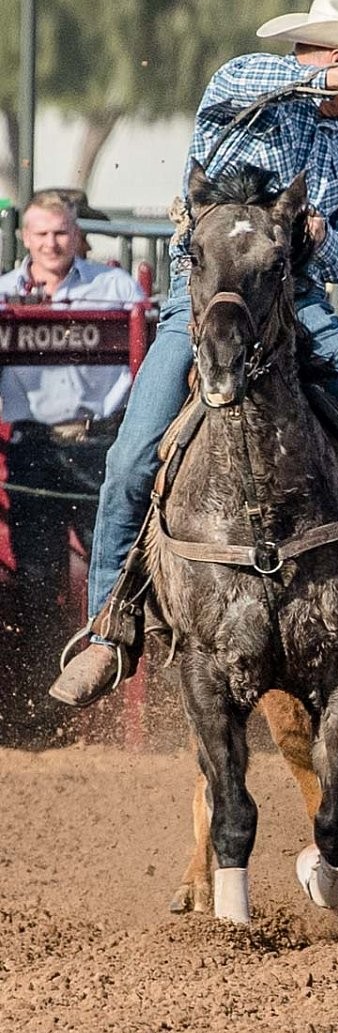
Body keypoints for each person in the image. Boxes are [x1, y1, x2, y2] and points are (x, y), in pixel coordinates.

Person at [49, 0, 338, 709]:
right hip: (207, 302)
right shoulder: (241, 88)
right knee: (131, 454)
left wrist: (319, 238)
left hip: (298, 306)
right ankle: (108, 628)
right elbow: (262, 82)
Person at [0, 192, 144, 719]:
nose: (51, 243)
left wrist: (100, 415)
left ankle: (117, 705)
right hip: (31, 446)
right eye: (41, 234)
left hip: (98, 444)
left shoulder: (115, 288)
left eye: (60, 232)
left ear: (76, 233)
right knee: (38, 579)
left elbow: (137, 370)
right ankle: (47, 705)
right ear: (25, 238)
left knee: (115, 570)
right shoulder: (4, 295)